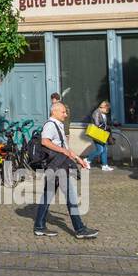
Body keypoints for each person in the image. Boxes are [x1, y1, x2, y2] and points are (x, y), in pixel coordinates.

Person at [34, 100, 98, 239]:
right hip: (57, 166)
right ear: (54, 111)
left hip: (59, 165)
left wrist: (78, 159)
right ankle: (80, 229)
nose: (65, 114)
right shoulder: (50, 125)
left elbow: (66, 149)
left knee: (47, 195)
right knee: (70, 196)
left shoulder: (59, 125)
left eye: (65, 112)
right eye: (63, 112)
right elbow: (45, 141)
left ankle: (39, 226)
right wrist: (63, 151)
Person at [84, 99, 114, 171]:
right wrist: (106, 127)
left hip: (101, 134)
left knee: (104, 149)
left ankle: (104, 165)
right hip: (97, 134)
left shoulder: (103, 113)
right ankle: (87, 160)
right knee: (100, 150)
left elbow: (105, 123)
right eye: (107, 109)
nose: (108, 111)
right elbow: (97, 124)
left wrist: (111, 124)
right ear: (103, 107)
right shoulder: (96, 112)